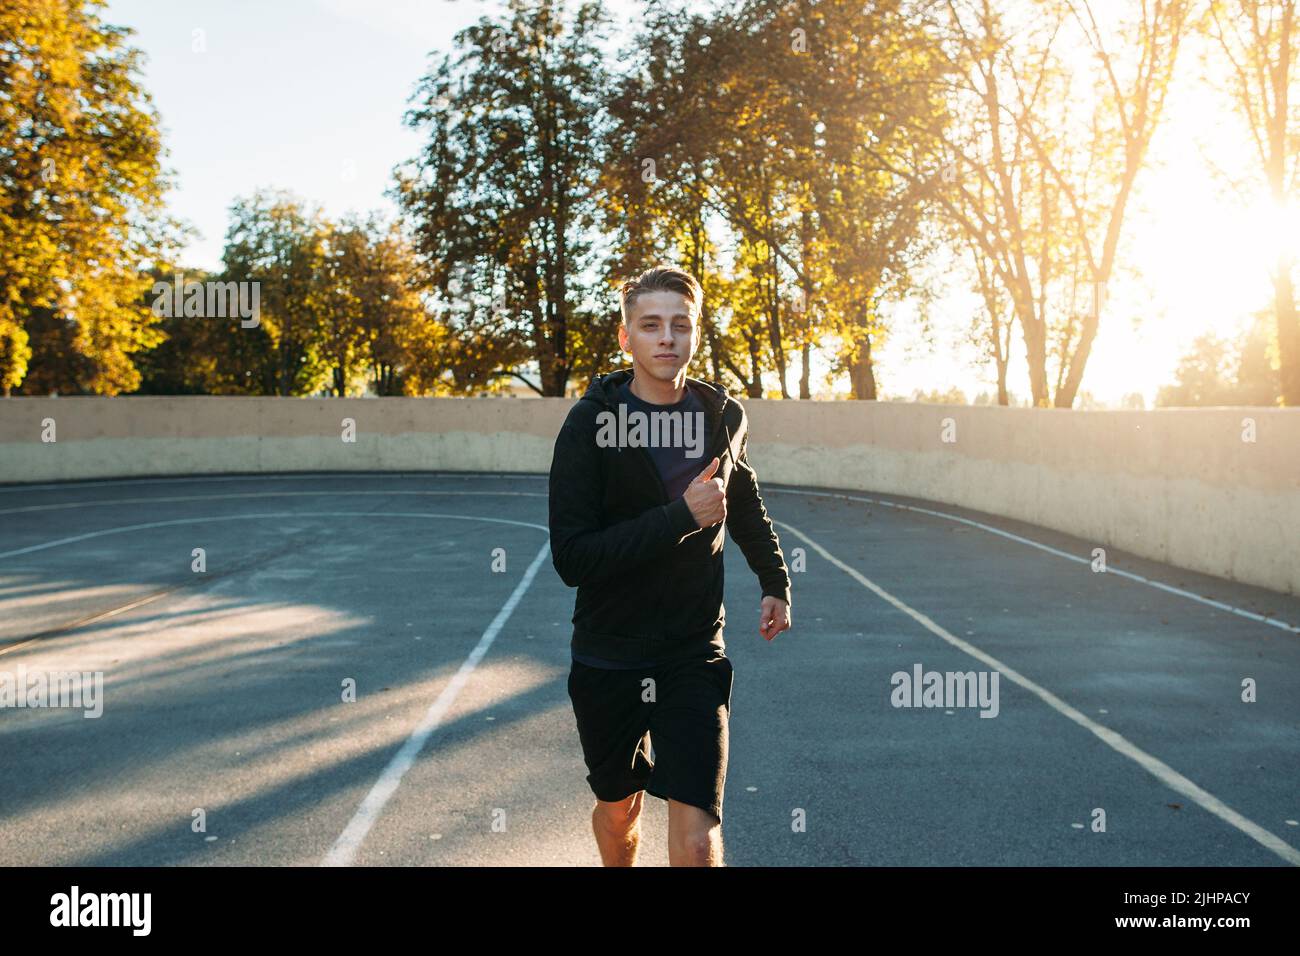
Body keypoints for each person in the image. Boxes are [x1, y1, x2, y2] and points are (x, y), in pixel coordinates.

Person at [547, 264, 793, 866]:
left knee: (696, 835)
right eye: (650, 324)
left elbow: (743, 499)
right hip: (609, 653)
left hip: (692, 651)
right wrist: (680, 516)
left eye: (680, 324)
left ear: (696, 334)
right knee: (619, 810)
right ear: (626, 337)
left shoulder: (722, 418)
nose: (666, 337)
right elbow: (573, 558)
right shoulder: (589, 425)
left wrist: (774, 580)